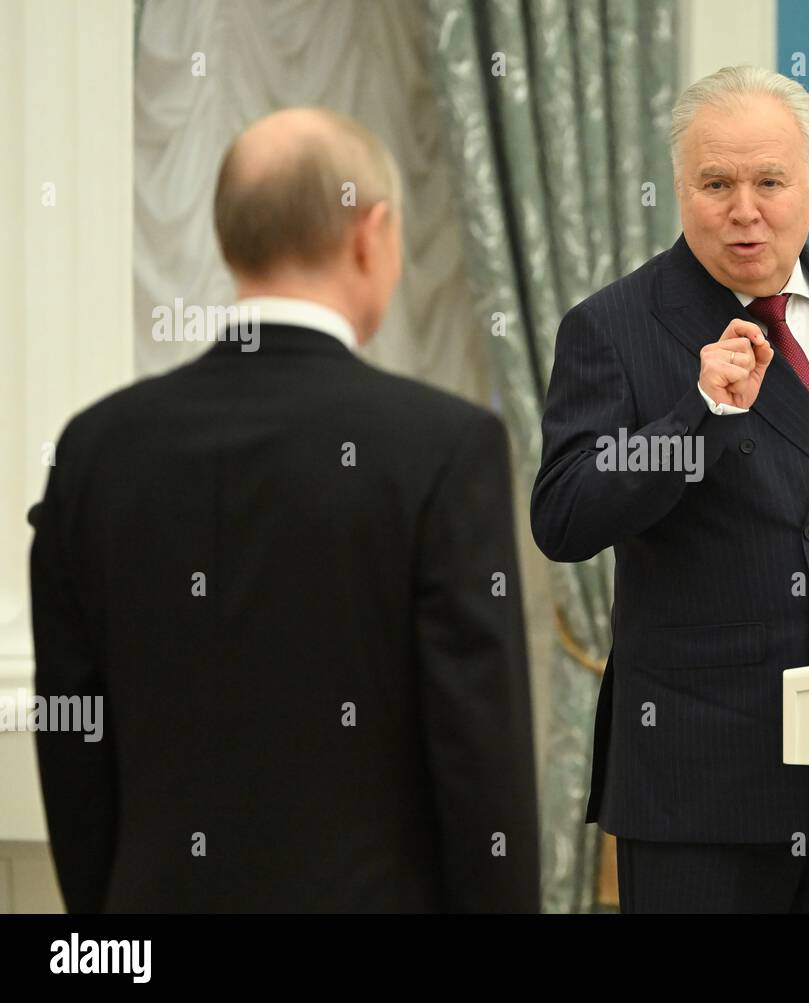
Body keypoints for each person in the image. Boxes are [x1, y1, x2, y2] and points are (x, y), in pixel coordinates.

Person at [30, 107, 539, 912]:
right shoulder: (444, 447)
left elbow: (71, 730)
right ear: (371, 234)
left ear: (230, 238)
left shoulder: (93, 450)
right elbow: (481, 754)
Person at [531, 66, 809, 913]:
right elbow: (563, 514)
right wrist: (696, 413)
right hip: (706, 777)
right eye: (717, 183)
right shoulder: (614, 326)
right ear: (680, 189)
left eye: (770, 180)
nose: (745, 209)